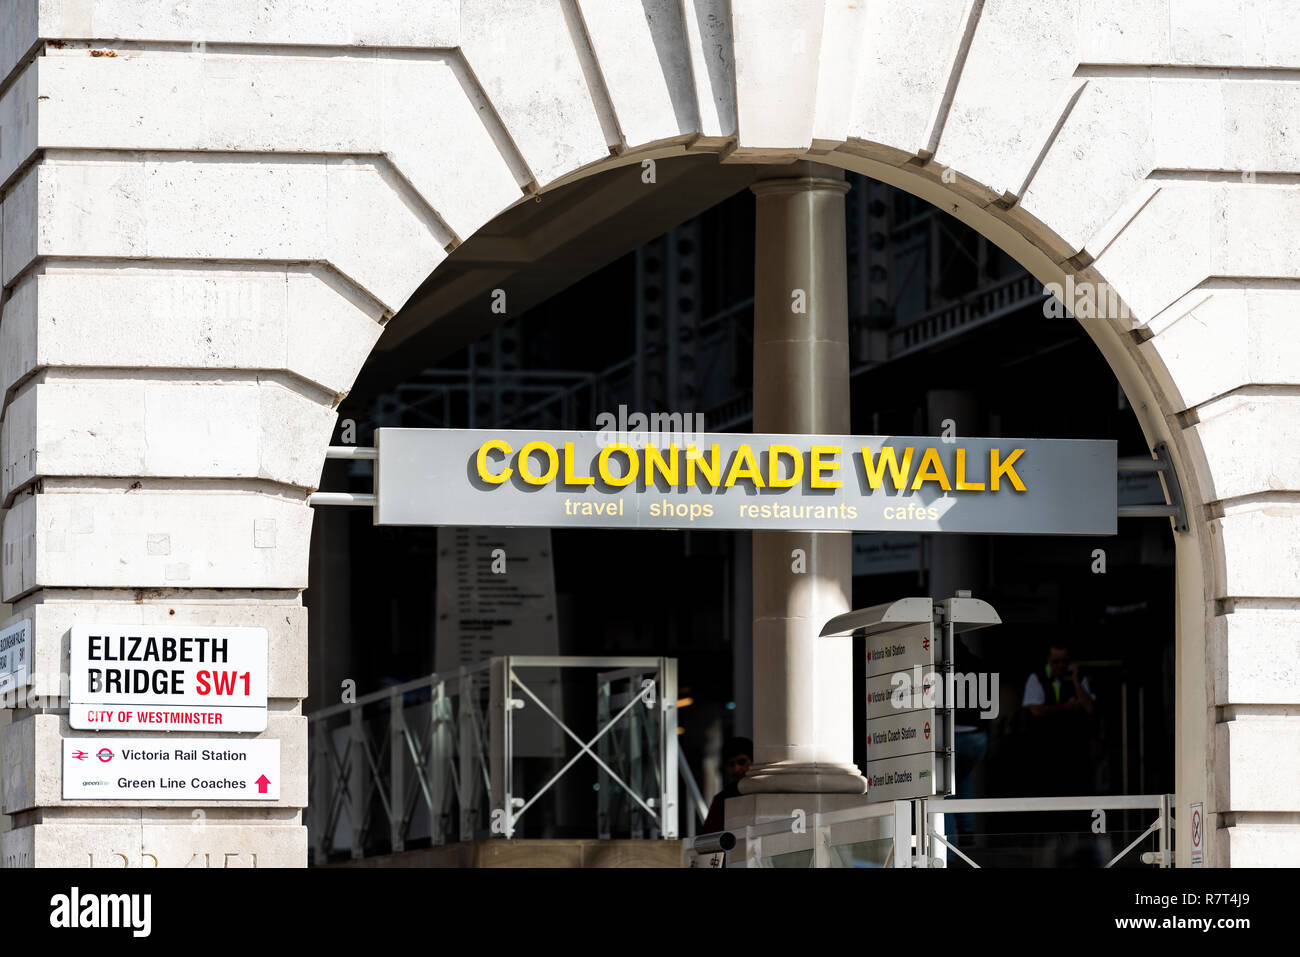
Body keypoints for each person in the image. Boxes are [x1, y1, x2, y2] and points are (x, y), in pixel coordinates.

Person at [1021, 644, 1096, 797]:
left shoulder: (1079, 678)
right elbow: (1035, 710)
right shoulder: (1037, 677)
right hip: (1045, 749)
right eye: (1056, 661)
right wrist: (1067, 707)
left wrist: (1075, 680)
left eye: (1065, 661)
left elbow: (1089, 707)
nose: (1061, 665)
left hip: (1074, 750)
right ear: (1048, 660)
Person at [701, 737, 752, 834]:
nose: (736, 769)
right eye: (731, 764)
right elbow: (709, 835)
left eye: (741, 762)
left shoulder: (766, 791)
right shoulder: (721, 799)